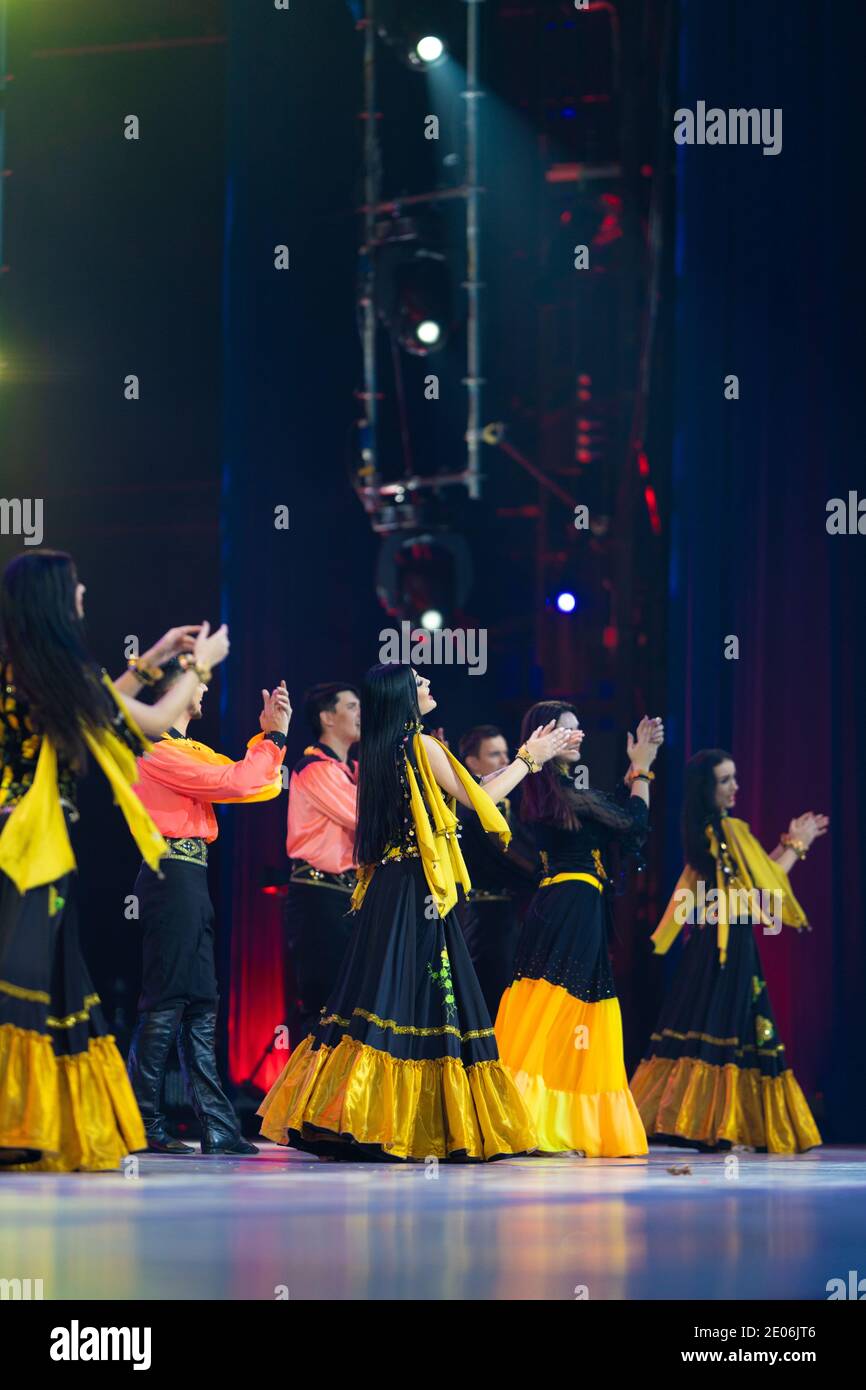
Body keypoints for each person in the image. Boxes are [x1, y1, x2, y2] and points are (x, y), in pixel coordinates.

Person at [258, 663, 580, 1162]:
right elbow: (480, 799)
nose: (429, 687)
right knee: (429, 1000)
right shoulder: (418, 745)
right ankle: (426, 1125)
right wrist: (529, 758)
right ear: (405, 697)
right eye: (421, 683)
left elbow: (466, 791)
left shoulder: (383, 752)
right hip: (418, 888)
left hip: (394, 887)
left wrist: (519, 762)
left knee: (392, 1000)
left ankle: (370, 1119)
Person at [0, 549, 229, 1169]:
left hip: (29, 843)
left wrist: (151, 659)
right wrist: (199, 670)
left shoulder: (29, 669)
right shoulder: (52, 669)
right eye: (74, 589)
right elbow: (149, 719)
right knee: (25, 983)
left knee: (41, 981)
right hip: (26, 848)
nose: (82, 597)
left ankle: (26, 1120)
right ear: (53, 599)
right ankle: (17, 1120)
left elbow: (100, 708)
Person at [629, 749, 828, 1153]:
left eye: (734, 777)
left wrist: (788, 845)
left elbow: (748, 882)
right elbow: (765, 884)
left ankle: (717, 1125)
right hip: (728, 944)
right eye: (725, 780)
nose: (735, 786)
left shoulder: (704, 832)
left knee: (722, 1029)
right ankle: (721, 1127)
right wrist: (799, 845)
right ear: (707, 789)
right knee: (731, 1029)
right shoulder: (728, 829)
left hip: (710, 943)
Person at [128, 661, 290, 1154]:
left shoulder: (187, 750)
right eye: (196, 681)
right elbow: (239, 783)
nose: (204, 688)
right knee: (167, 997)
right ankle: (141, 1123)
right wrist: (274, 738)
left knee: (201, 999)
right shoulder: (155, 750)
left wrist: (270, 739)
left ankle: (217, 1126)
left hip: (191, 876)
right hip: (169, 874)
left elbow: (260, 783)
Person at [495, 700, 664, 1157]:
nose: (580, 735)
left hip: (565, 903)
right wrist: (643, 770)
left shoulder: (556, 791)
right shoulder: (558, 790)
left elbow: (610, 820)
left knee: (567, 1008)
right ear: (546, 736)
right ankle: (535, 1120)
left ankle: (547, 1118)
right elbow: (632, 823)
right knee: (564, 1008)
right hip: (571, 906)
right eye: (568, 730)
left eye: (579, 727)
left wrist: (634, 772)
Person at [284, 683, 360, 1041]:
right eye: (351, 705)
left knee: (350, 1005)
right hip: (319, 893)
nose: (361, 712)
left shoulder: (350, 770)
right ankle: (308, 1095)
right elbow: (365, 818)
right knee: (323, 1004)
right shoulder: (315, 768)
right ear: (327, 717)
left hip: (346, 895)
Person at [457, 724, 536, 1020]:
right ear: (473, 763)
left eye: (507, 754)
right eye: (494, 755)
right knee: (492, 1003)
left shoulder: (508, 806)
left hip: (510, 916)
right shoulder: (474, 809)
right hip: (485, 918)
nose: (505, 761)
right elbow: (515, 858)